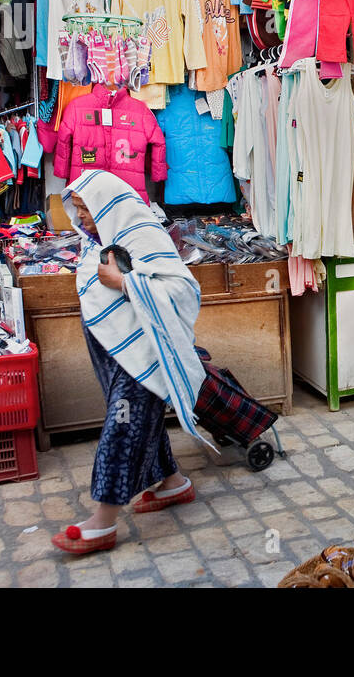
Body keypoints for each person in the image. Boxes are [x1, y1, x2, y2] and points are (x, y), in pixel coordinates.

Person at [53, 170, 208, 555]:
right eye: (78, 208)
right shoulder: (99, 239)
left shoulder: (143, 236)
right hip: (118, 353)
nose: (82, 217)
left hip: (146, 353)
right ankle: (173, 483)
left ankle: (101, 522)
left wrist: (124, 283)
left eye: (88, 208)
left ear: (108, 205)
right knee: (139, 421)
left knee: (122, 428)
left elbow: (183, 290)